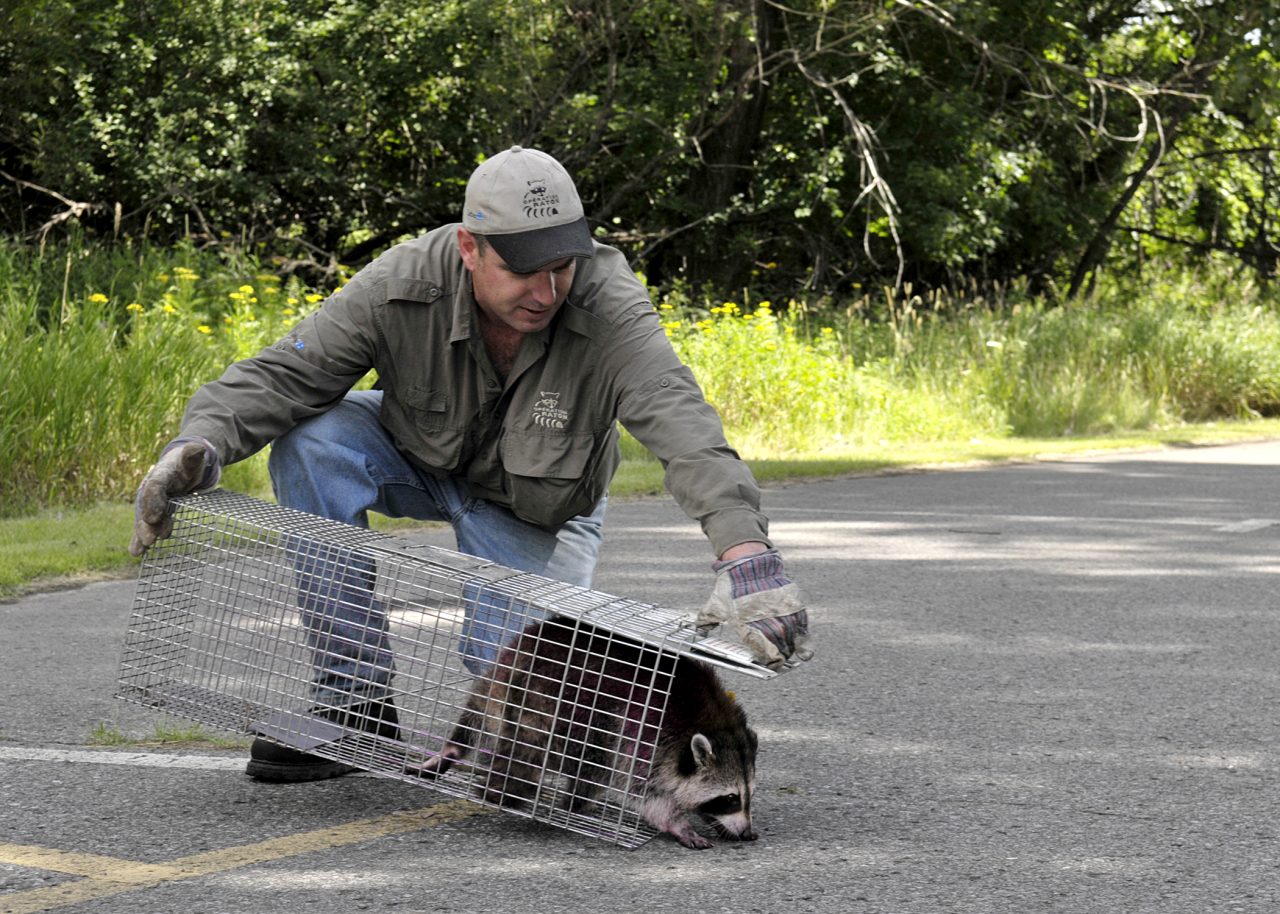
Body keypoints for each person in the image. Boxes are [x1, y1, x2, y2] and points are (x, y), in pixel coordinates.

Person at [128, 145, 813, 782]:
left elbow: (679, 417)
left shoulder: (607, 299)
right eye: (522, 269)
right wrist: (198, 446)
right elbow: (283, 375)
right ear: (468, 248)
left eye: (561, 265)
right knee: (313, 441)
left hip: (538, 504)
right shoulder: (401, 281)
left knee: (521, 709)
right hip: (420, 460)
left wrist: (745, 553)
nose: (546, 291)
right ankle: (355, 703)